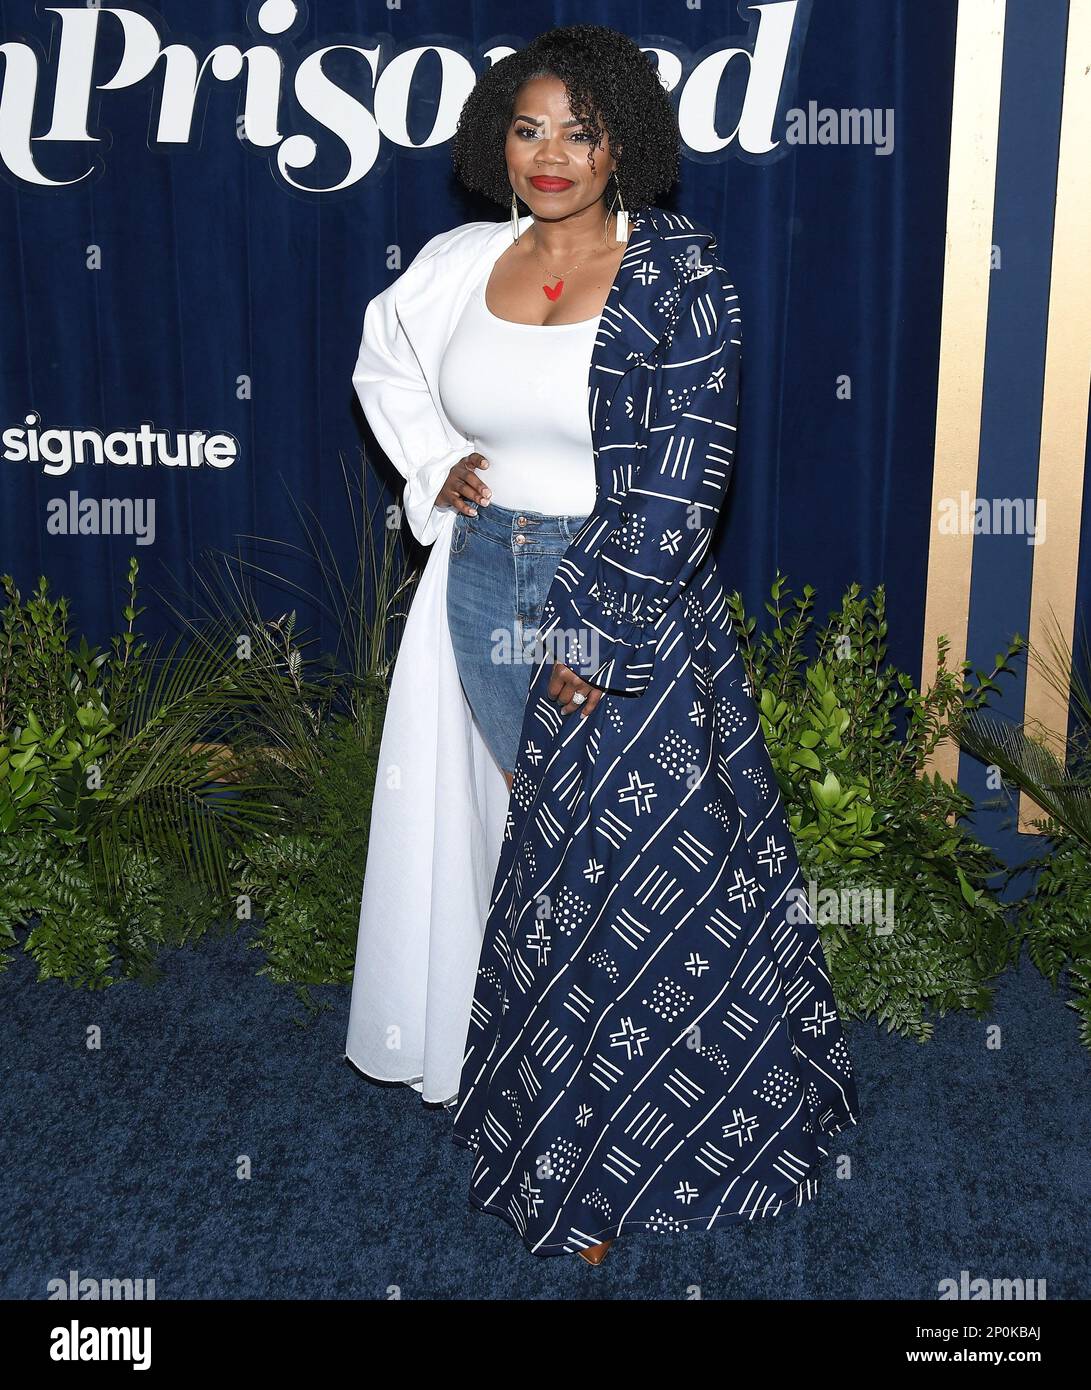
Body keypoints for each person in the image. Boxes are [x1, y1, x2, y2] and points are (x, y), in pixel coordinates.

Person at [347, 24, 860, 1266]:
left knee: (614, 884)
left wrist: (599, 629)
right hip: (477, 585)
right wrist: (433, 466)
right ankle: (527, 1112)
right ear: (495, 143)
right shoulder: (463, 261)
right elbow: (385, 361)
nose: (552, 154)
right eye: (528, 129)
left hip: (614, 598)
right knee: (520, 863)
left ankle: (612, 1169)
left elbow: (686, 479)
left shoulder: (676, 270)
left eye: (579, 130)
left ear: (622, 139)